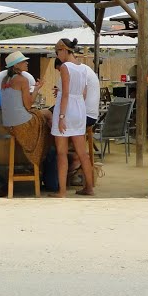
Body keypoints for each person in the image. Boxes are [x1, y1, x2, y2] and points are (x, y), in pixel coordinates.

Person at [50, 38, 96, 197]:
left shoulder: (65, 67)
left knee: (61, 153)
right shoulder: (83, 68)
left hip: (67, 109)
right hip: (79, 109)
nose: (58, 55)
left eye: (57, 52)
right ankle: (89, 187)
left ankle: (62, 191)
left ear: (63, 49)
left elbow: (66, 94)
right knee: (82, 153)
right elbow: (83, 93)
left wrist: (61, 116)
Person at [0, 53, 55, 189]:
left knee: (42, 115)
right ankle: (48, 153)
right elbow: (29, 105)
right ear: (17, 66)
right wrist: (36, 89)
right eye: (24, 62)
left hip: (8, 122)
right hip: (21, 122)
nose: (27, 63)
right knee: (46, 118)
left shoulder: (4, 80)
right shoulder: (21, 80)